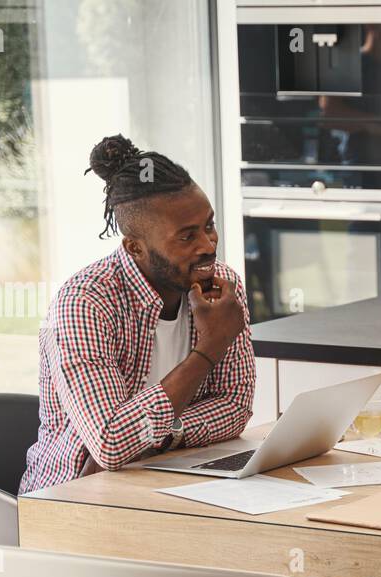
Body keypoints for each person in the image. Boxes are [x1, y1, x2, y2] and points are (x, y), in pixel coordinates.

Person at [20, 134, 254, 493]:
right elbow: (112, 443)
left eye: (208, 225)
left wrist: (157, 436)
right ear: (135, 248)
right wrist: (210, 348)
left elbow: (236, 408)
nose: (208, 245)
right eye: (186, 237)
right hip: (72, 500)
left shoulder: (222, 287)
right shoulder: (85, 303)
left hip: (168, 480)